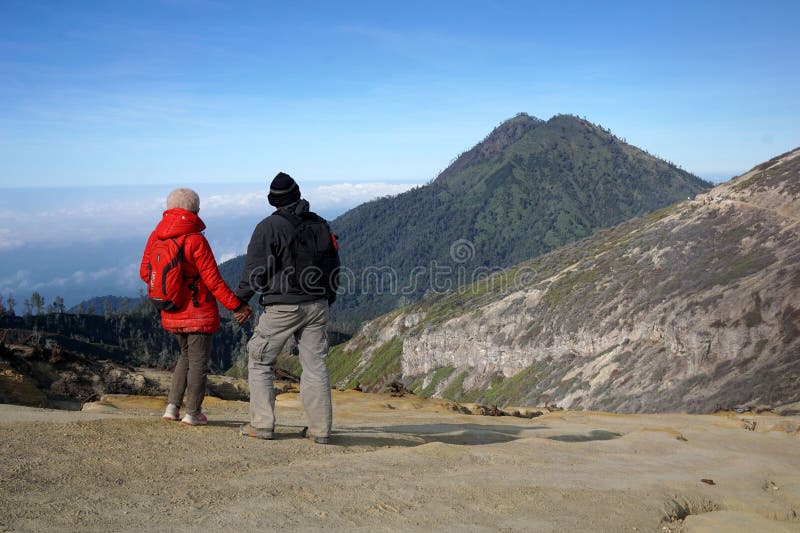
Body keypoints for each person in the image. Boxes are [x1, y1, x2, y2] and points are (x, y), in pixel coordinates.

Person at [236, 172, 340, 443]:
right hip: (318, 304)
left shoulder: (269, 227)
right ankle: (320, 431)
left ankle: (262, 425)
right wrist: (328, 297)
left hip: (282, 306)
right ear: (297, 195)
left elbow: (255, 270)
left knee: (260, 361)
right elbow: (333, 264)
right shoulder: (320, 224)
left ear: (273, 201)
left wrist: (239, 301)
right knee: (315, 366)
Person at [140, 188, 252, 426]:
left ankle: (172, 407)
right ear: (195, 211)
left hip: (170, 309)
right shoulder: (195, 239)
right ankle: (193, 413)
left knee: (184, 356)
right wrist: (236, 306)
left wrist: (174, 289)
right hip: (198, 312)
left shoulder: (156, 236)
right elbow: (213, 281)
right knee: (198, 362)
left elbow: (145, 273)